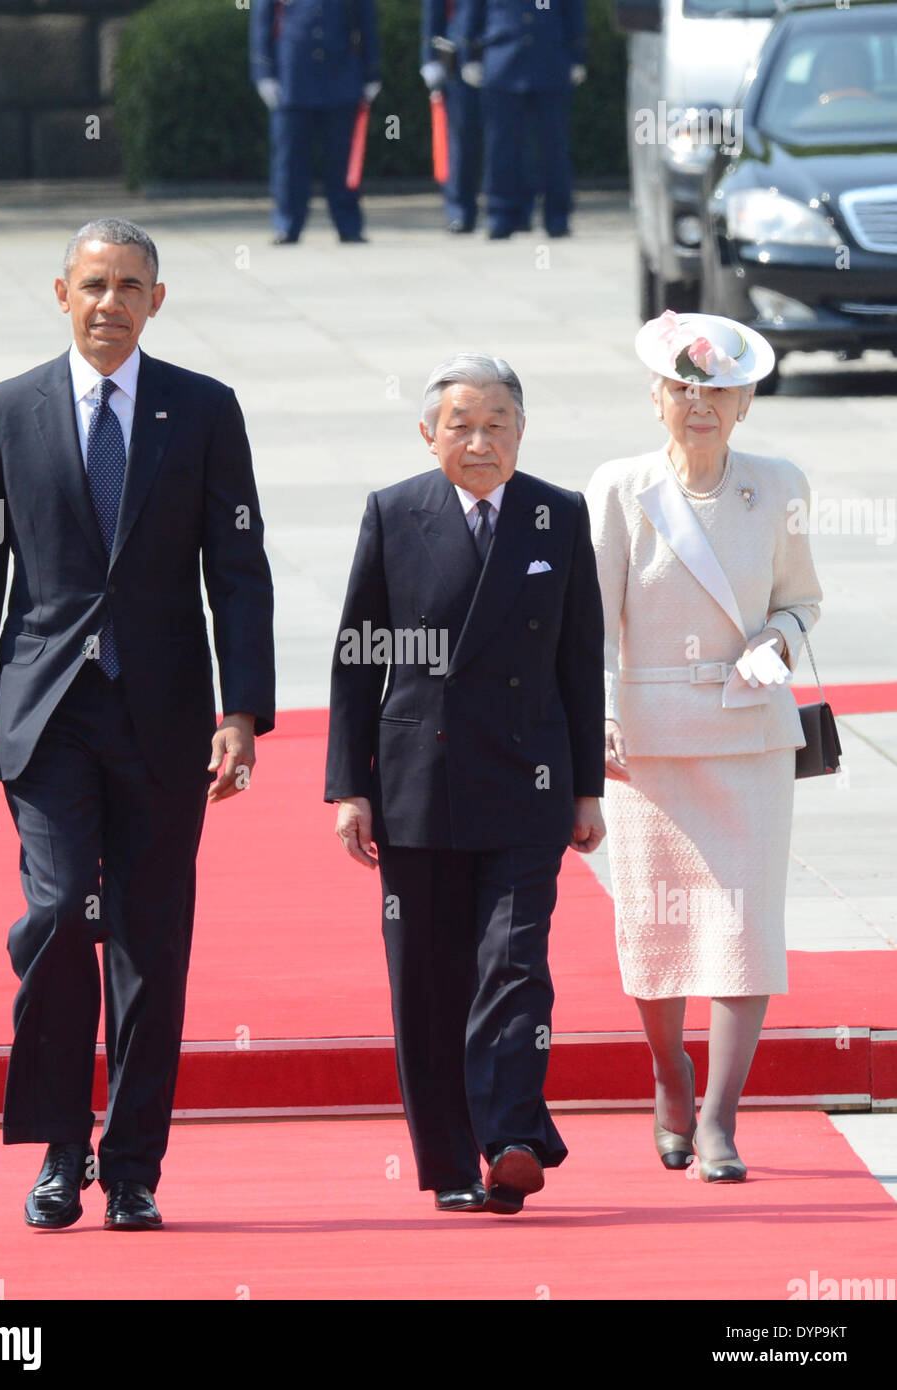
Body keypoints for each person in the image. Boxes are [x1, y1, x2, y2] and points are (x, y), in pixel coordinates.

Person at [0, 218, 275, 1229]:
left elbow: (240, 575)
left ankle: (130, 1166)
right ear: (60, 292)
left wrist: (243, 710)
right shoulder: (6, 412)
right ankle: (55, 1149)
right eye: (92, 283)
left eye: (130, 285)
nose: (109, 303)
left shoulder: (204, 411)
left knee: (146, 940)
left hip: (166, 718)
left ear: (156, 300)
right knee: (54, 920)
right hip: (46, 718)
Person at [325, 353, 606, 1214]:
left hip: (528, 781)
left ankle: (512, 1136)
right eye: (461, 425)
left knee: (516, 962)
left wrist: (586, 788)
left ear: (521, 432)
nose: (479, 441)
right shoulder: (393, 512)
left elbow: (578, 658)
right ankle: (449, 1159)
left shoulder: (557, 516)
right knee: (429, 976)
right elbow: (355, 659)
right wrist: (350, 786)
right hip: (418, 783)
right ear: (428, 433)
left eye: (497, 424)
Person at [585, 311, 822, 1182]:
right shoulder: (617, 487)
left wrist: (778, 641)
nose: (699, 404)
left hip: (749, 735)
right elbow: (590, 623)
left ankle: (719, 1118)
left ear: (744, 402)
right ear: (656, 398)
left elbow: (802, 599)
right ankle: (668, 1073)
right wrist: (597, 713)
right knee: (651, 924)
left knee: (743, 926)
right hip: (646, 744)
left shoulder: (777, 482)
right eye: (683, 388)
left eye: (716, 390)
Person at [250, 0, 382, 244]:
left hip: (342, 75)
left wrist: (372, 70)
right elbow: (262, 22)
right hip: (292, 77)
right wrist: (263, 72)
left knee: (342, 159)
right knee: (289, 160)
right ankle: (287, 224)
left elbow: (366, 20)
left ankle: (348, 224)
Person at [456, 0, 587, 239]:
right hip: (503, 60)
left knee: (553, 148)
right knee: (501, 149)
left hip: (550, 62)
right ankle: (500, 214)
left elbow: (574, 11)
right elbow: (472, 11)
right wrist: (468, 55)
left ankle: (557, 215)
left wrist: (578, 55)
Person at [420, 0, 482, 233]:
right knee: (460, 139)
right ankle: (460, 211)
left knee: (509, 138)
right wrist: (429, 58)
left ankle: (514, 209)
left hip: (502, 50)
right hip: (458, 56)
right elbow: (434, 9)